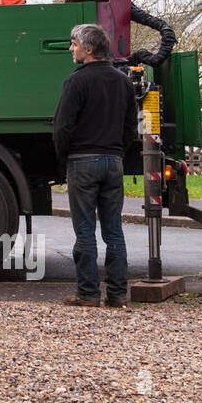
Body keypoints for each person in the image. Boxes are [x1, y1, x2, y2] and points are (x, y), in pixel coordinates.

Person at [52, 23, 138, 307]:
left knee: (85, 230)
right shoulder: (123, 81)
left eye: (73, 43)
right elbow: (130, 128)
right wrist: (117, 153)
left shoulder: (75, 82)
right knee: (114, 230)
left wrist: (63, 159)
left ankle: (88, 293)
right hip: (113, 161)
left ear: (88, 49)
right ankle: (117, 294)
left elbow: (62, 127)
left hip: (82, 161)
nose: (71, 48)